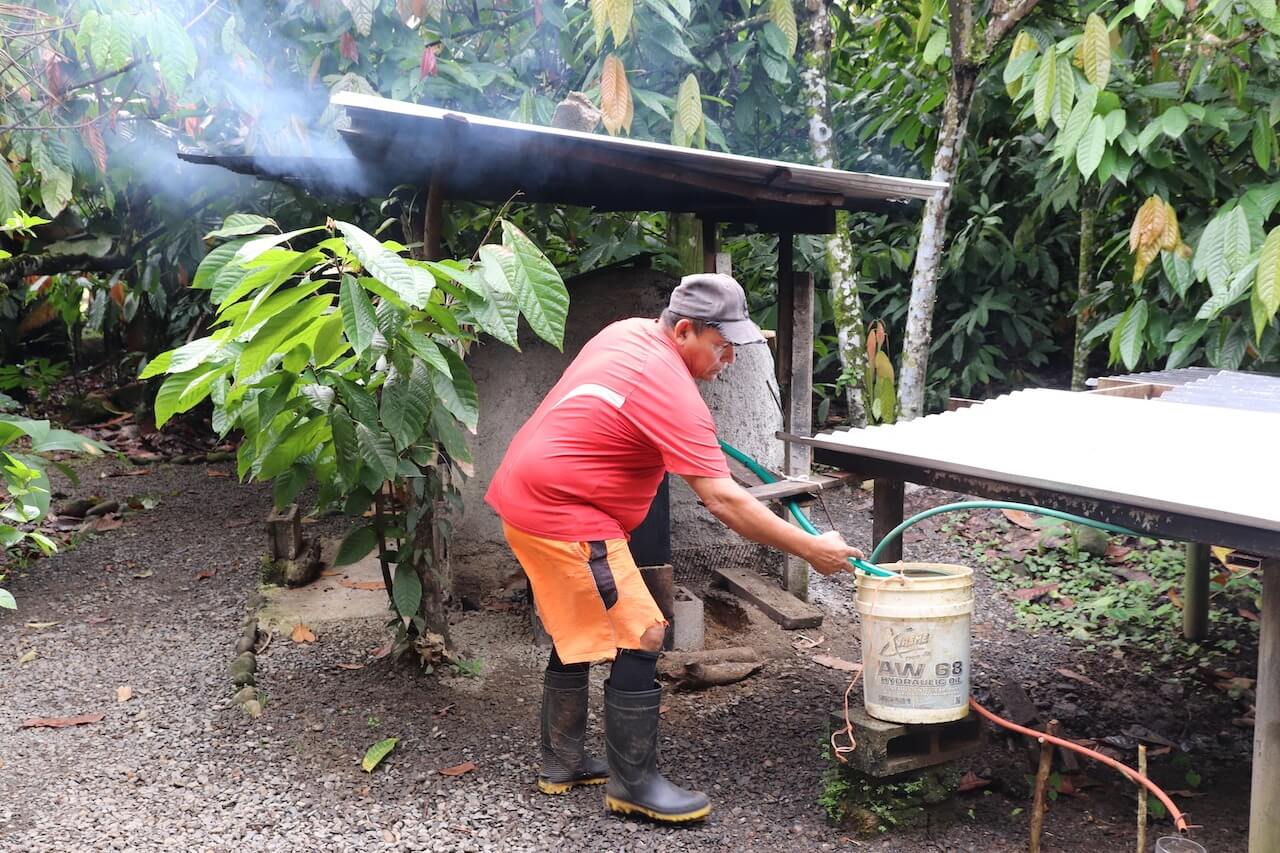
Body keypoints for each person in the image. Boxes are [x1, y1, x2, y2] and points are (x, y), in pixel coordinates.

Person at [485, 273, 863, 823]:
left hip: (531, 494)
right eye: (721, 346)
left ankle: (562, 761)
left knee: (581, 623)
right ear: (684, 330)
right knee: (644, 632)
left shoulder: (630, 332)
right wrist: (810, 549)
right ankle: (632, 785)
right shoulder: (670, 388)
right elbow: (725, 503)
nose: (729, 359)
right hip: (562, 514)